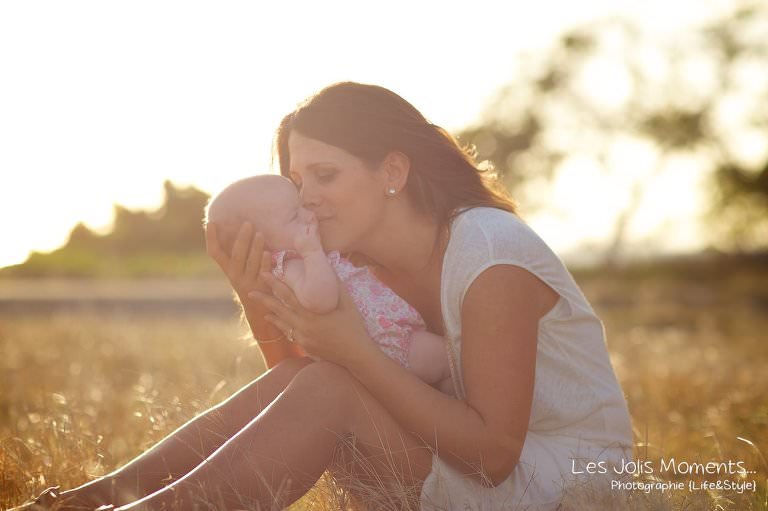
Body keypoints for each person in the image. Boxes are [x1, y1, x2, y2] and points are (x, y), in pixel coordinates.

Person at [11, 81, 634, 511]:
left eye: (325, 175)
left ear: (393, 172)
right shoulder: (349, 262)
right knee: (313, 380)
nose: (304, 197)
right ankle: (89, 501)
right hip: (455, 464)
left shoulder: (491, 253)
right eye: (295, 179)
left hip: (562, 484)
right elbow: (299, 394)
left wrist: (354, 351)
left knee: (333, 384)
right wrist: (255, 294)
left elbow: (494, 456)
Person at [204, 174, 455, 395]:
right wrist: (312, 252)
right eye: (295, 216)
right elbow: (321, 300)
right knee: (450, 363)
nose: (309, 215)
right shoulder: (291, 265)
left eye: (302, 206)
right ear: (263, 245)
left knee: (446, 364)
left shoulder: (308, 256)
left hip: (386, 340)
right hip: (387, 346)